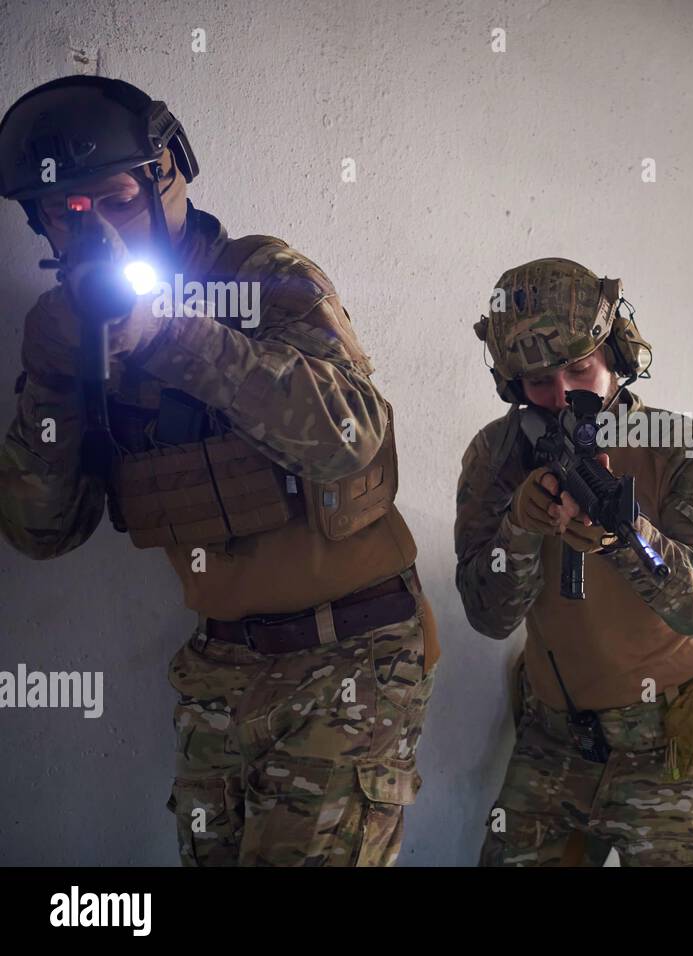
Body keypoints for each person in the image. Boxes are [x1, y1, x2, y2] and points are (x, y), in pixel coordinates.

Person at [0, 75, 437, 866]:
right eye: (66, 214)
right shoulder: (67, 331)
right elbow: (42, 533)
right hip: (222, 666)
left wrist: (173, 335)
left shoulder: (261, 277)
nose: (97, 232)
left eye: (118, 199)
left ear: (172, 175)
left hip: (353, 655)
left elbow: (352, 436)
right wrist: (53, 382)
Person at [455, 257, 693, 865]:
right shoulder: (498, 454)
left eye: (577, 369)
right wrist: (520, 528)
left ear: (615, 352)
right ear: (512, 385)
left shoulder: (687, 450)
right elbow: (489, 616)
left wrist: (629, 540)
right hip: (553, 743)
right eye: (538, 380)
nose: (562, 396)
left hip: (669, 750)